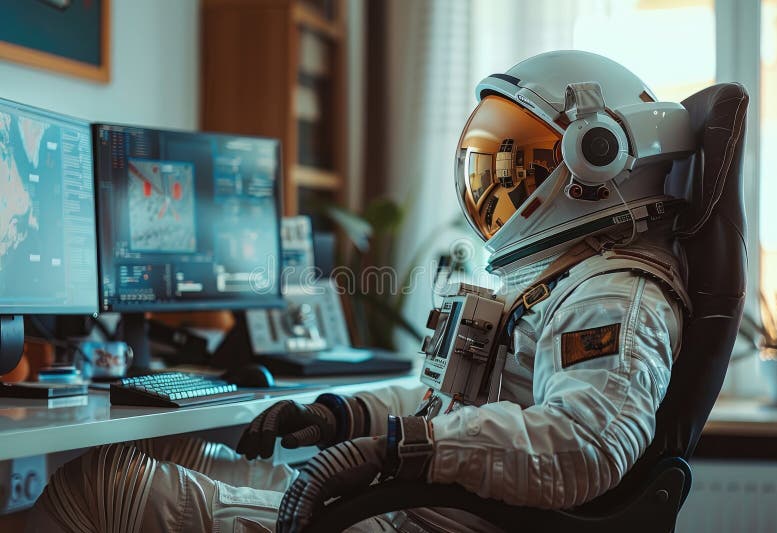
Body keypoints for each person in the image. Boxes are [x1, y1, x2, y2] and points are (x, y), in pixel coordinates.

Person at [27, 50, 696, 533]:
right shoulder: (565, 279)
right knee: (147, 452)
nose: (500, 187)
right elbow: (446, 406)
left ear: (599, 161)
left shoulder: (615, 297)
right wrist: (336, 415)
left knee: (101, 485)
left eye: (526, 160)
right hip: (408, 502)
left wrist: (403, 447)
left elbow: (584, 445)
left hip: (424, 521)